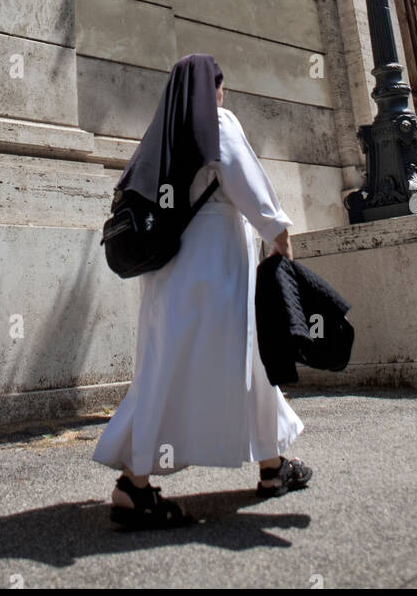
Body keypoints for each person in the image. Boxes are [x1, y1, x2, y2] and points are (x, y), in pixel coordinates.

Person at [92, 52, 312, 528]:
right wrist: (280, 234)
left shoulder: (163, 132)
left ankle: (273, 465)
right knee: (199, 364)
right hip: (217, 267)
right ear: (209, 88)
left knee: (207, 359)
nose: (223, 94)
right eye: (219, 85)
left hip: (172, 272)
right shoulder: (216, 122)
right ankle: (134, 484)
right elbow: (248, 183)